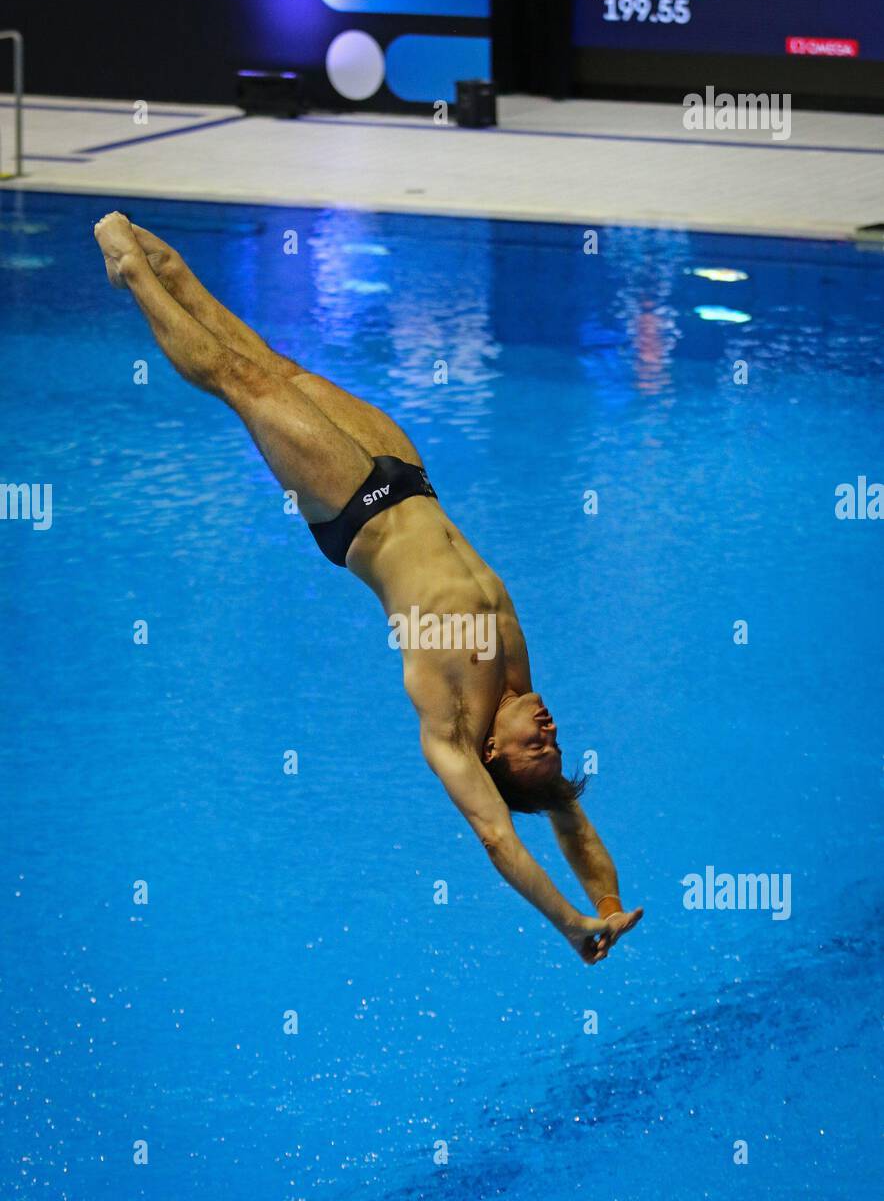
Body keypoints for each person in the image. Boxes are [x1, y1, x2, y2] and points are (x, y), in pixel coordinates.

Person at [94, 212, 643, 964]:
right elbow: (570, 819)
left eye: (535, 748)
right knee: (279, 369)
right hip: (407, 478)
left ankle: (132, 275)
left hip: (352, 511)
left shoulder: (450, 726)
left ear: (491, 752)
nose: (550, 731)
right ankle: (176, 270)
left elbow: (497, 836)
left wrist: (572, 927)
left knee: (241, 382)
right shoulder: (517, 683)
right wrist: (608, 905)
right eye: (555, 741)